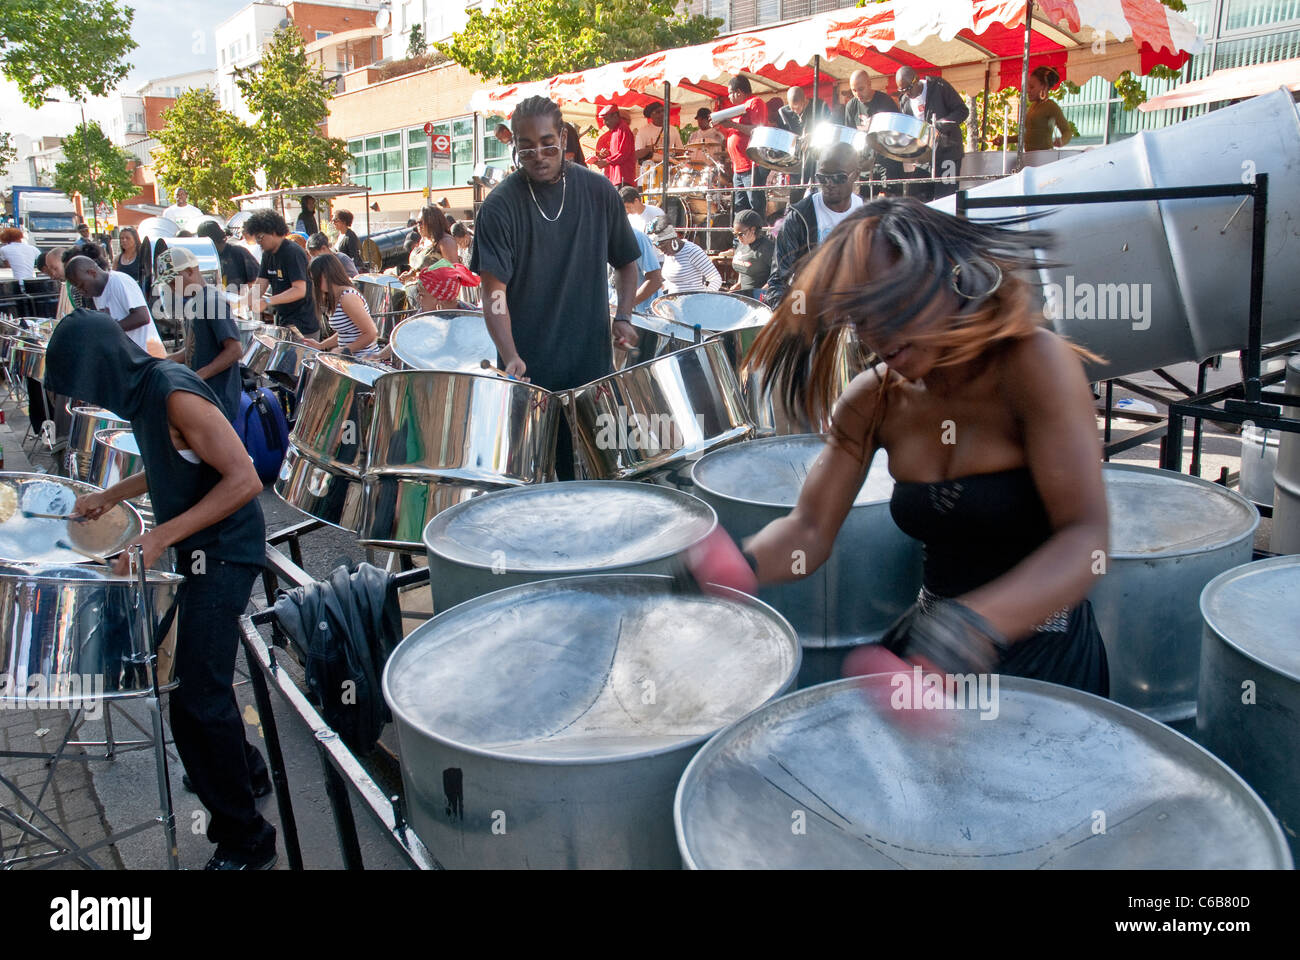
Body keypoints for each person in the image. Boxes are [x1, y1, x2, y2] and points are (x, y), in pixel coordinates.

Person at [740, 197, 1110, 694]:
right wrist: (737, 566)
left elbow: (1087, 539)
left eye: (891, 304)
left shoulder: (1032, 364)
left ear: (949, 277)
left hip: (1045, 662)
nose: (875, 333)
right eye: (859, 315)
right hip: (927, 655)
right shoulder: (872, 398)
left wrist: (973, 628)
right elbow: (808, 530)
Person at [47, 309, 277, 870]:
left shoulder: (174, 393)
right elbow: (168, 461)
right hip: (198, 546)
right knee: (193, 692)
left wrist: (160, 538)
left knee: (196, 700)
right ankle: (243, 770)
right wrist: (111, 494)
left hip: (227, 551)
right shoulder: (144, 396)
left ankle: (248, 838)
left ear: (100, 369)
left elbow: (244, 477)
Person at [471, 95, 641, 479]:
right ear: (514, 145)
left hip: (591, 367)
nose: (539, 155)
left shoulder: (598, 192)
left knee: (601, 480)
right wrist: (509, 354)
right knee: (536, 487)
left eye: (548, 143)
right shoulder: (499, 207)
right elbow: (494, 293)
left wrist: (625, 315)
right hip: (530, 375)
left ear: (563, 137)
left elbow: (628, 265)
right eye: (526, 147)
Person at [765, 141, 864, 307]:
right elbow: (779, 281)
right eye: (822, 177)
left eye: (838, 177)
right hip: (809, 311)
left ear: (855, 174)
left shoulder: (868, 215)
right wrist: (795, 319)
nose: (829, 184)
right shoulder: (799, 217)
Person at [157, 247, 243, 420]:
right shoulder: (193, 302)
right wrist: (166, 362)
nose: (172, 288)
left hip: (218, 398)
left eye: (174, 281)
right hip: (202, 395)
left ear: (190, 271)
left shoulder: (212, 301)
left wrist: (198, 376)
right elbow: (194, 347)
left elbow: (235, 350)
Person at [66, 254, 166, 355]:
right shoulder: (97, 294)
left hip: (149, 355)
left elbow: (142, 317)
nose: (81, 291)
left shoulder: (119, 281)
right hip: (132, 358)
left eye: (82, 285)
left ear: (92, 273)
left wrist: (105, 329)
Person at [895, 66, 969, 201]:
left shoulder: (939, 87)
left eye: (909, 88)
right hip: (924, 157)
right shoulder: (905, 101)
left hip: (948, 153)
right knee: (917, 198)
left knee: (945, 198)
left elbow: (962, 111)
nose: (907, 94)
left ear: (916, 80)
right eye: (902, 90)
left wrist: (941, 125)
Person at [245, 208, 319, 337]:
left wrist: (267, 301)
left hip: (302, 326)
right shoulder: (268, 254)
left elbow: (299, 290)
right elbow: (260, 284)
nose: (258, 242)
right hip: (283, 322)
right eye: (256, 239)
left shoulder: (292, 252)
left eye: (260, 237)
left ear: (273, 232)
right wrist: (242, 302)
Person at [304, 254, 381, 358]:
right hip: (351, 361)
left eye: (315, 279)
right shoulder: (336, 297)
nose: (314, 284)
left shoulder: (348, 298)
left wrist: (345, 350)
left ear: (326, 275)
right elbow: (345, 332)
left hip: (363, 360)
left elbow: (371, 333)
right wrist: (321, 345)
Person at [714, 76, 769, 218]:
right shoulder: (738, 110)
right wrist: (720, 126)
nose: (729, 97)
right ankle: (740, 240)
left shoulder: (755, 102)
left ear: (738, 92)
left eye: (730, 93)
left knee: (755, 207)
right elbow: (734, 135)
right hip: (739, 168)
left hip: (752, 166)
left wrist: (733, 125)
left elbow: (757, 130)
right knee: (739, 208)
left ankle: (757, 237)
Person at [843, 70, 905, 193]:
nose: (857, 94)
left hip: (887, 159)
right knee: (866, 201)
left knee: (889, 197)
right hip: (865, 161)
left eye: (861, 89)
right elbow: (849, 136)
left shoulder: (885, 102)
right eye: (854, 90)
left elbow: (896, 134)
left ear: (869, 84)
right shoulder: (851, 106)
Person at [777, 87, 831, 205]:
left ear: (805, 100)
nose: (795, 111)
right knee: (796, 195)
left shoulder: (820, 107)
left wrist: (813, 134)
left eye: (798, 107)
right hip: (798, 159)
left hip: (818, 155)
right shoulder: (783, 112)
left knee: (819, 192)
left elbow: (830, 129)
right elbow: (782, 137)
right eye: (792, 108)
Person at [400, 204, 459, 310]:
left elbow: (454, 273)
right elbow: (422, 267)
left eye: (421, 222)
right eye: (417, 222)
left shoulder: (445, 241)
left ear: (432, 222)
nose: (418, 226)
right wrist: (410, 274)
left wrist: (445, 303)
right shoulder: (423, 240)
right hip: (417, 296)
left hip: (437, 301)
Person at [646, 216, 721, 294]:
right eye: (658, 248)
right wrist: (661, 286)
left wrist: (704, 298)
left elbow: (716, 279)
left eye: (664, 247)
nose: (662, 251)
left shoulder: (692, 251)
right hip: (674, 303)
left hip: (694, 302)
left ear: (672, 239)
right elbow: (675, 282)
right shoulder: (668, 254)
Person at [195, 220, 260, 296]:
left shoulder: (238, 253)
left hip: (238, 303)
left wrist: (238, 295)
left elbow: (258, 279)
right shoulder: (206, 257)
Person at [609, 224, 663, 316]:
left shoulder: (636, 237)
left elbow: (655, 280)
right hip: (614, 310)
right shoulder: (595, 239)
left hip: (644, 315)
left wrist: (623, 307)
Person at [1020, 66, 1073, 152]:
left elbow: (1067, 132)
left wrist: (1062, 141)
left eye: (1032, 87)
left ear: (1044, 86)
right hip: (1029, 156)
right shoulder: (1032, 107)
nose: (1028, 90)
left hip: (1044, 157)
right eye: (1028, 87)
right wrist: (1004, 139)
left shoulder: (1051, 107)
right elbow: (1027, 135)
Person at [635, 101, 684, 187]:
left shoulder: (673, 130)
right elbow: (637, 154)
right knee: (650, 198)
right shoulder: (643, 131)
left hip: (669, 170)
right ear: (651, 115)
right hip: (649, 170)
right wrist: (649, 149)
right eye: (658, 112)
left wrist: (676, 164)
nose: (662, 114)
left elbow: (680, 151)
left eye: (663, 111)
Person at [729, 209, 773, 298]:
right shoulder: (741, 244)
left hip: (761, 298)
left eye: (741, 234)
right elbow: (744, 267)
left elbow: (779, 275)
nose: (738, 238)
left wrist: (761, 294)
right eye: (735, 234)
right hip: (744, 296)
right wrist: (739, 284)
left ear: (753, 229)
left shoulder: (767, 248)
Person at [591, 104, 638, 187]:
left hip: (623, 177)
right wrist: (607, 154)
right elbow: (619, 153)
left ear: (615, 116)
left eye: (606, 119)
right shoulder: (616, 130)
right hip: (616, 178)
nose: (605, 123)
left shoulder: (623, 129)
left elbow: (624, 153)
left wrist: (607, 161)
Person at [111, 225, 149, 297]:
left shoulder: (142, 257)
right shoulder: (118, 259)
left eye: (127, 238)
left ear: (135, 240)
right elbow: (113, 278)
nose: (124, 240)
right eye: (122, 238)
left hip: (138, 295)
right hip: (122, 295)